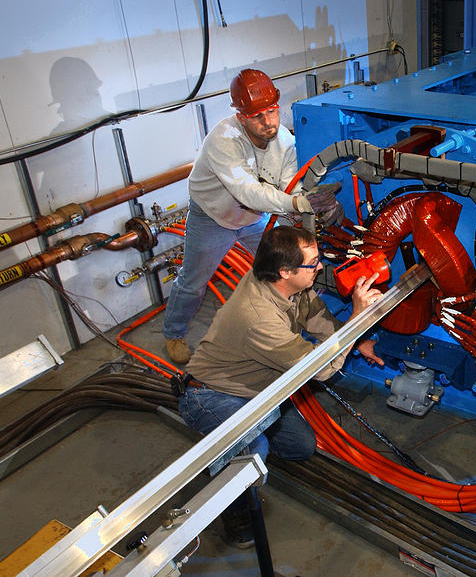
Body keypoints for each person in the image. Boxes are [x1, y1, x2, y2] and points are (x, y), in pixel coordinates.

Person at [176, 226, 383, 547]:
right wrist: (357, 320)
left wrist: (356, 339)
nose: (320, 267)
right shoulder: (258, 317)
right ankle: (234, 506)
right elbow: (322, 370)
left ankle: (238, 447)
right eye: (313, 263)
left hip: (259, 391)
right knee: (252, 453)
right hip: (212, 394)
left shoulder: (287, 285)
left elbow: (316, 317)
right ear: (286, 271)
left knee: (301, 446)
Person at [163, 68, 341, 364]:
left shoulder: (283, 140)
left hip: (255, 217)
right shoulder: (224, 140)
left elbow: (289, 182)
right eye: (258, 116)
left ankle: (291, 321)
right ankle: (173, 333)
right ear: (241, 117)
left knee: (287, 266)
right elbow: (247, 191)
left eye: (272, 111)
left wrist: (310, 199)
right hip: (212, 217)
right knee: (193, 282)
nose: (269, 122)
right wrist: (297, 204)